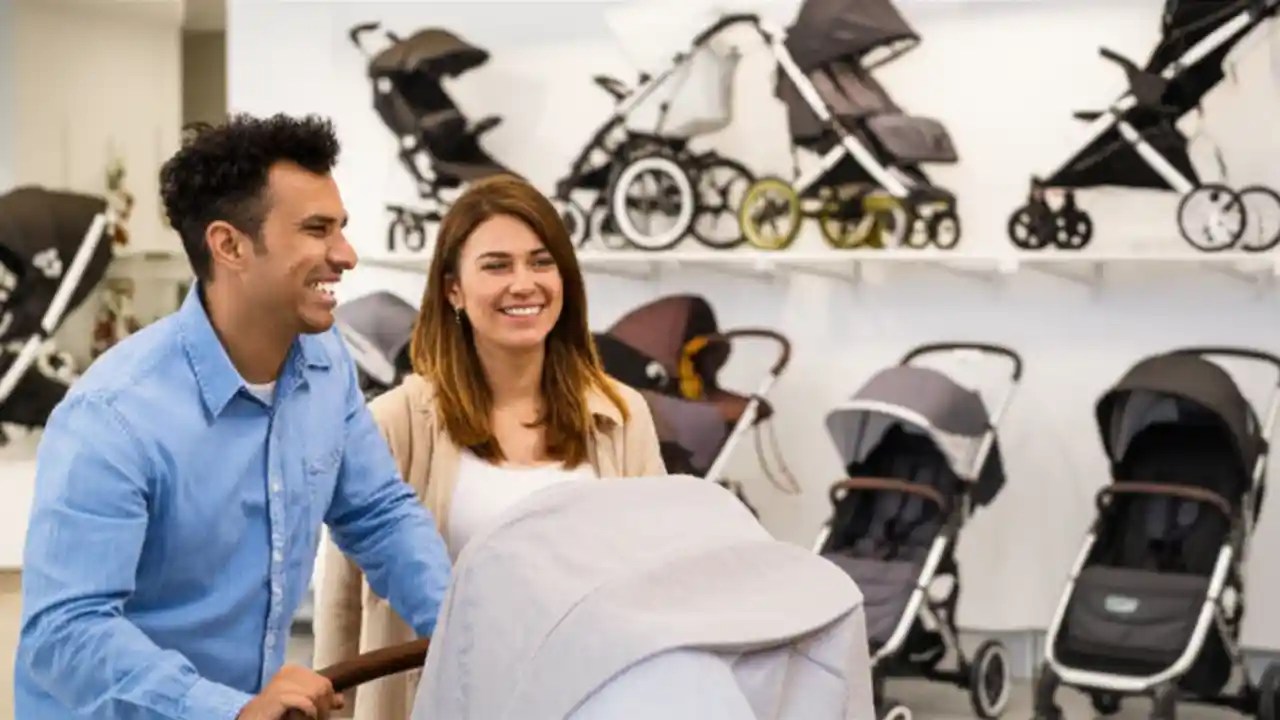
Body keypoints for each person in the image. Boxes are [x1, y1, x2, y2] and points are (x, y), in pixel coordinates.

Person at [14, 113, 452, 720]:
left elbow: (377, 515)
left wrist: (461, 627)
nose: (345, 255)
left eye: (341, 228)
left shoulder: (325, 364)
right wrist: (226, 709)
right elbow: (67, 632)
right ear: (229, 245)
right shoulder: (113, 416)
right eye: (317, 230)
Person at [312, 174, 667, 719]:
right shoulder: (395, 426)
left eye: (541, 262)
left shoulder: (620, 417)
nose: (524, 283)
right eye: (497, 265)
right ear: (453, 288)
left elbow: (660, 578)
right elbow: (341, 607)